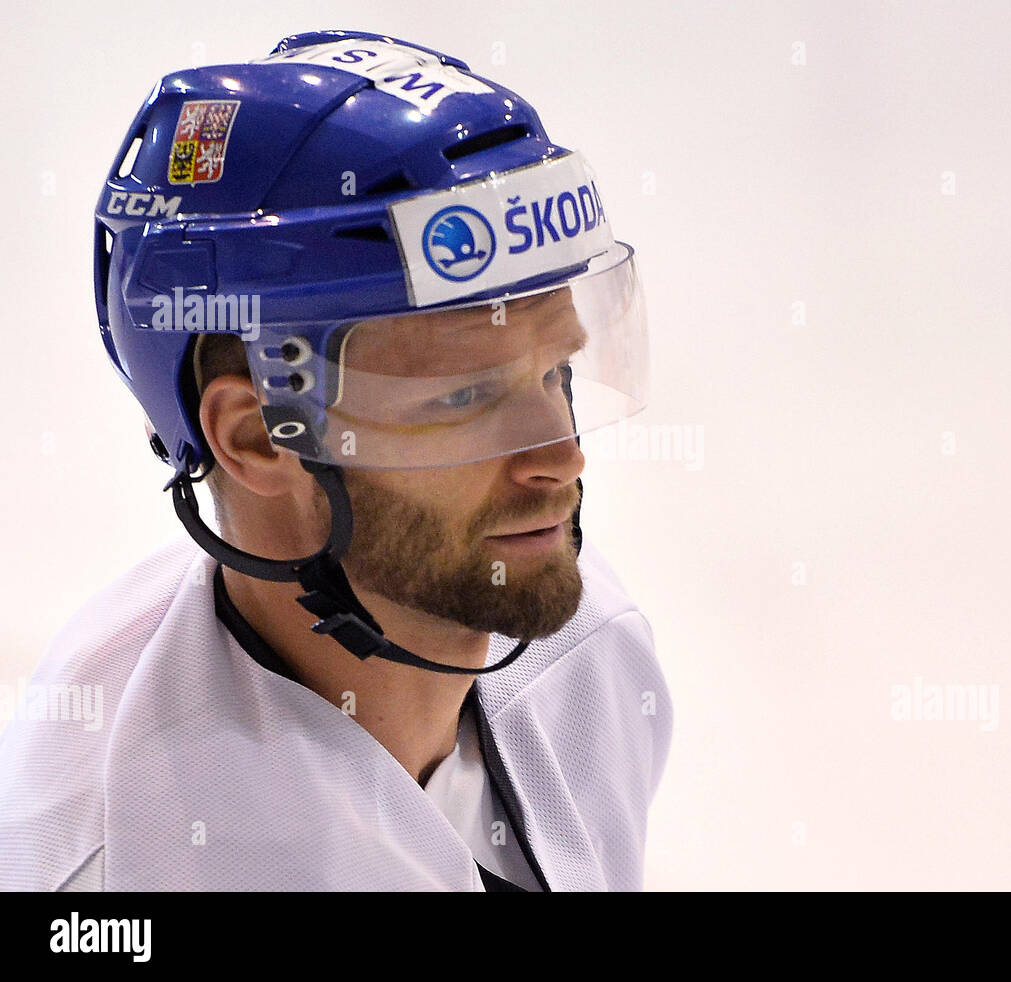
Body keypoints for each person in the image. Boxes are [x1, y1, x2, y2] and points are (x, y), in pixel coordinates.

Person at [0, 30, 671, 891]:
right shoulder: (114, 867)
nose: (560, 458)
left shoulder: (589, 656)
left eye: (555, 372)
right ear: (255, 438)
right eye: (464, 397)